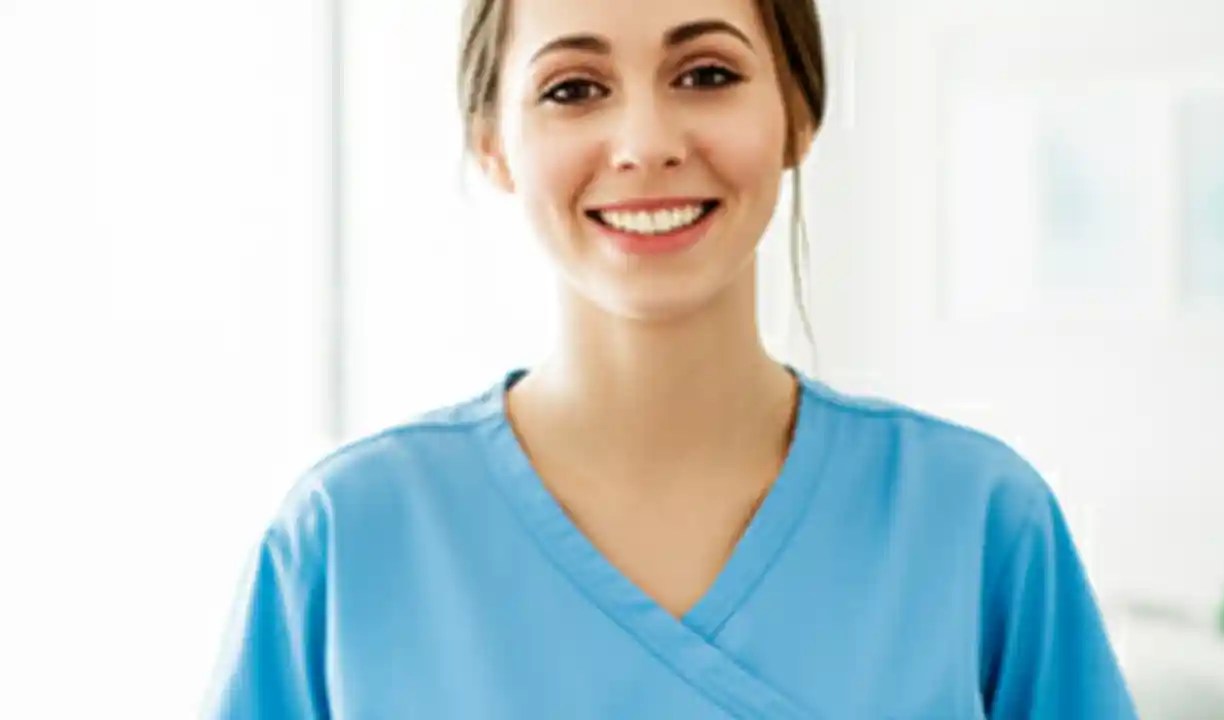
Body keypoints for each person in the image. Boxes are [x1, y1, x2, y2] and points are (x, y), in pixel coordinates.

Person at [204, 0, 1139, 717]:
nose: (646, 144)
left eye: (705, 74)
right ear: (493, 142)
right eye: (573, 88)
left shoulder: (975, 524)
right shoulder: (348, 538)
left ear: (799, 117)